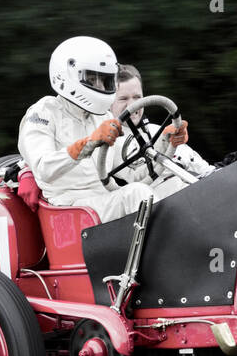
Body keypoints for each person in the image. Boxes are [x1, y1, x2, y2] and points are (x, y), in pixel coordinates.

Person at [18, 37, 178, 221]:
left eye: (106, 81)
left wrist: (165, 143)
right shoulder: (44, 112)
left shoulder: (101, 116)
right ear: (66, 75)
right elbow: (43, 168)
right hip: (69, 209)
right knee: (138, 195)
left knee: (174, 187)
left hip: (101, 201)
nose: (101, 87)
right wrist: (87, 144)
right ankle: (168, 249)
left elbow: (134, 174)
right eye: (93, 79)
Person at [108, 63, 210, 198]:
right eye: (123, 99)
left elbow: (201, 167)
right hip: (164, 197)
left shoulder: (156, 129)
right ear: (109, 102)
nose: (132, 105)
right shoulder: (111, 145)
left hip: (201, 181)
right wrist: (165, 144)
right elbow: (137, 179)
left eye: (137, 97)